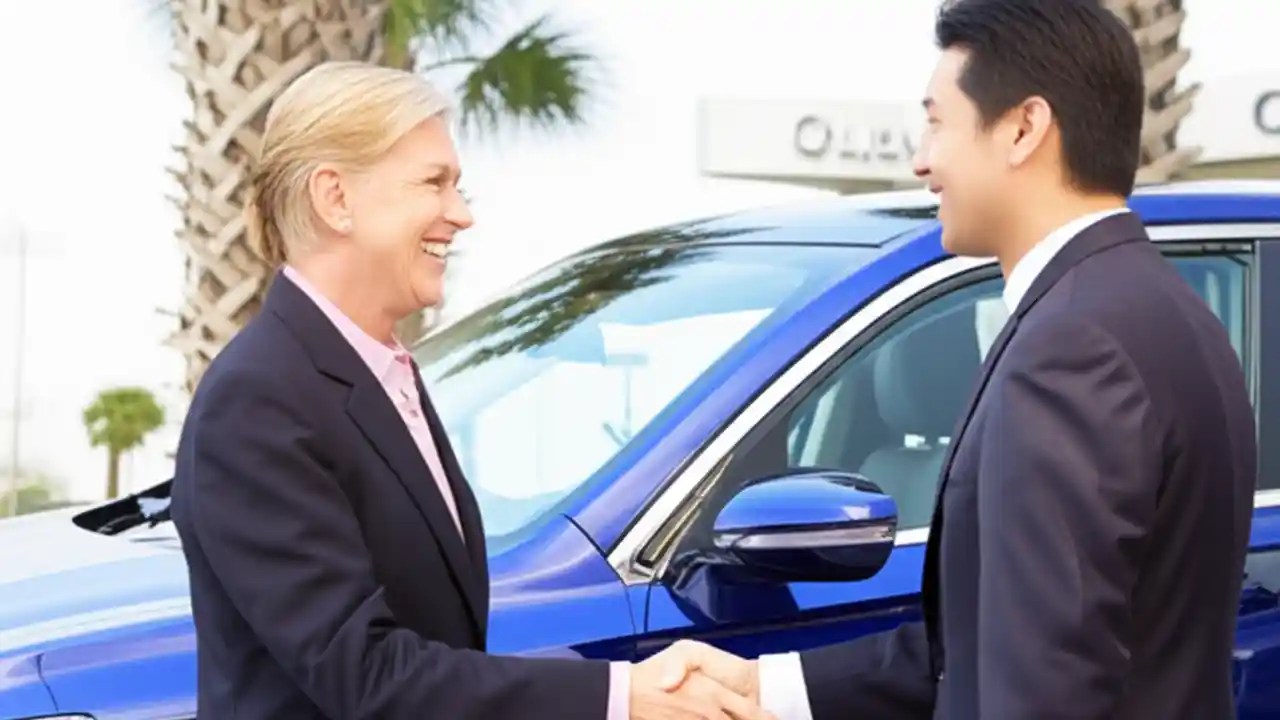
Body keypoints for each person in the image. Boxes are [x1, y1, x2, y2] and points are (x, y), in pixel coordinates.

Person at [650, 0, 1257, 718]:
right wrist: (767, 689)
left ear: (1024, 129)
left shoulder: (1072, 347)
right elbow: (994, 647)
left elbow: (1042, 691)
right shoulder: (1172, 312)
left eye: (937, 120)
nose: (921, 158)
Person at [169, 60, 769, 720]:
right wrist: (621, 698)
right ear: (335, 198)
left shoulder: (377, 371)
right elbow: (367, 675)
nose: (460, 215)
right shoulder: (259, 399)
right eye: (434, 183)